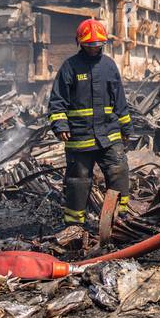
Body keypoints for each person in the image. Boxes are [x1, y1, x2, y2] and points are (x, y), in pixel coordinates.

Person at [48, 19, 132, 230]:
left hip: (109, 135)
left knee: (119, 172)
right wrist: (61, 126)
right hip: (80, 137)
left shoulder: (109, 66)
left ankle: (120, 218)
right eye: (89, 44)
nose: (94, 48)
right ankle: (75, 226)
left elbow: (120, 99)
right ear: (80, 43)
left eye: (97, 44)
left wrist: (126, 128)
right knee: (79, 181)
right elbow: (57, 101)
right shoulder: (70, 67)